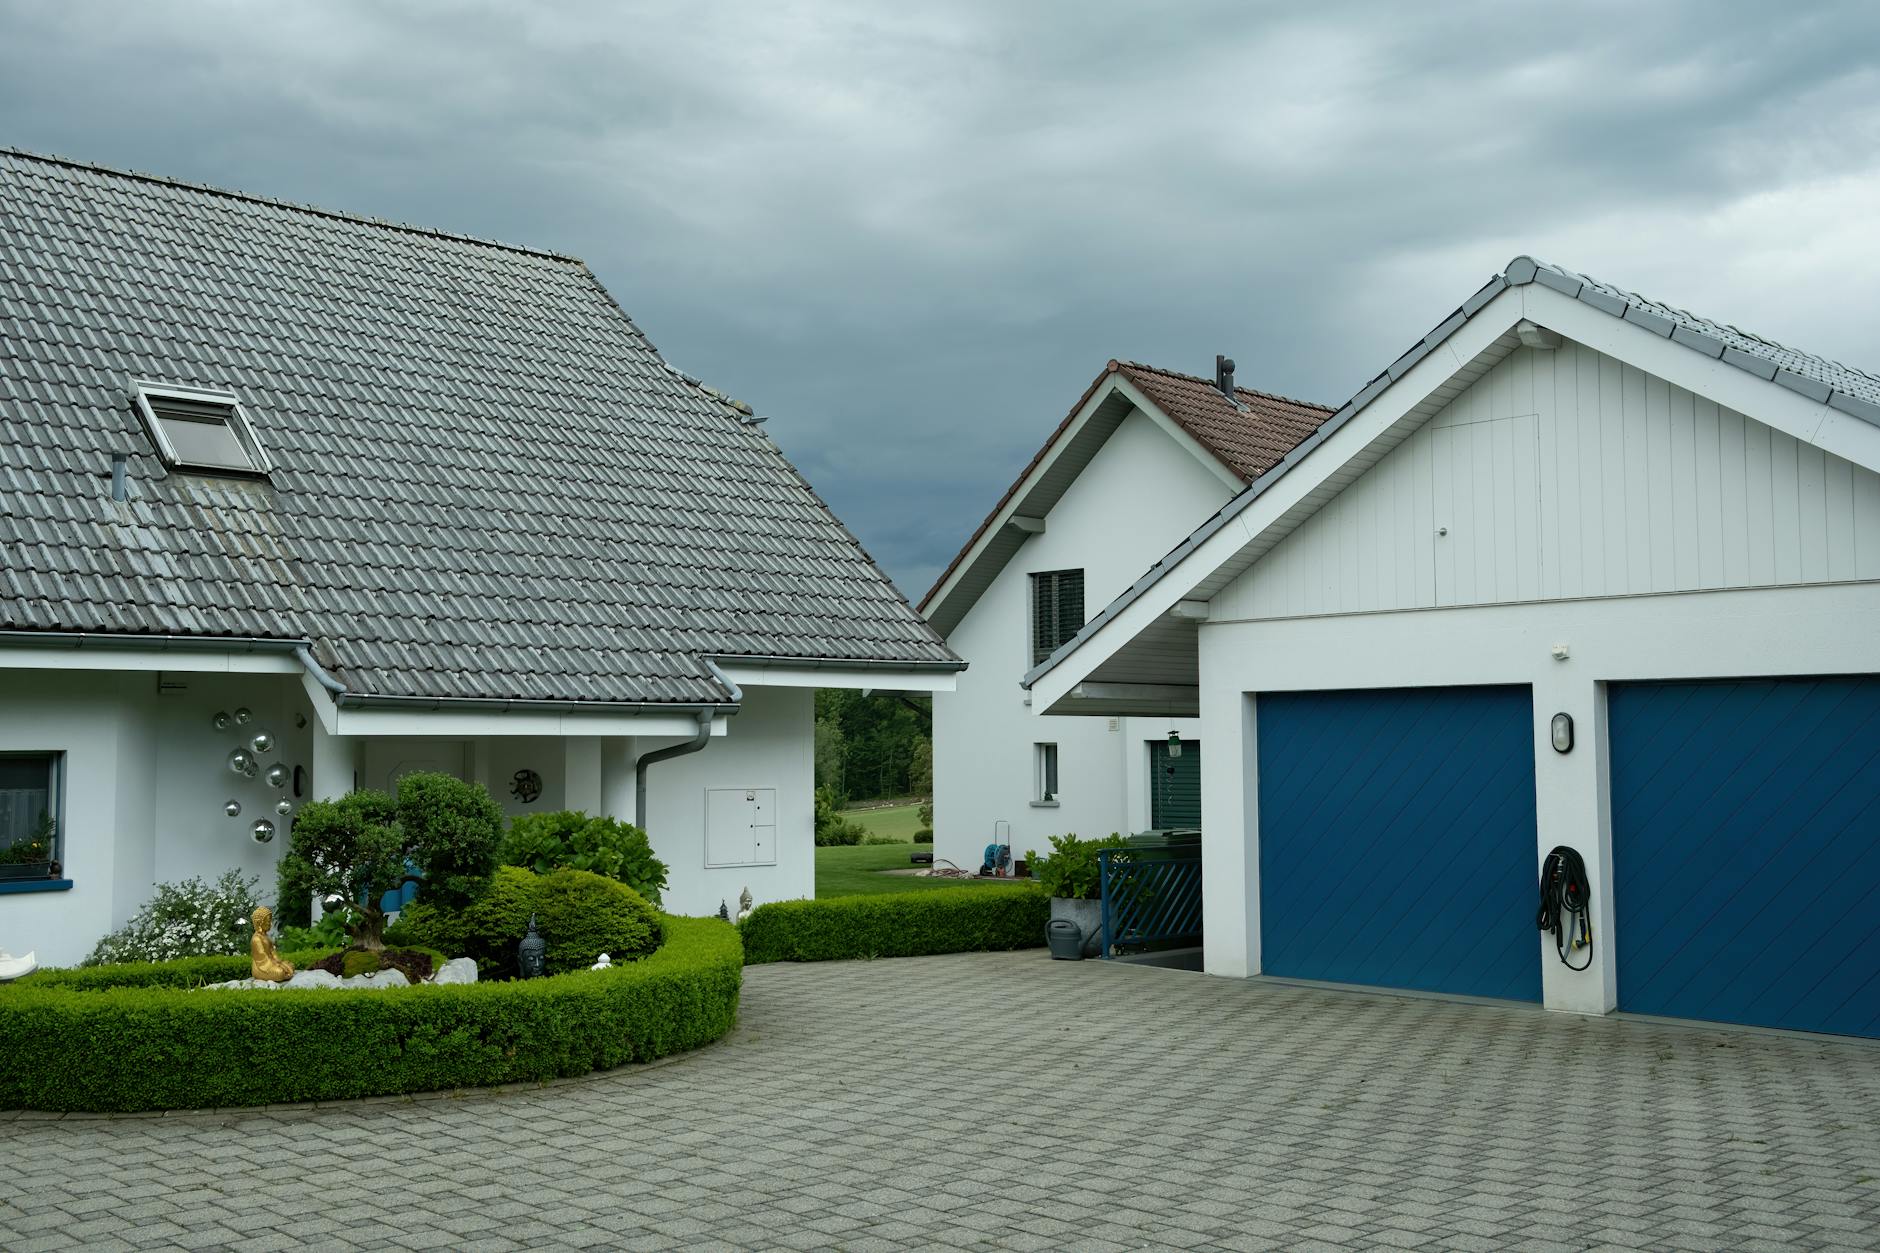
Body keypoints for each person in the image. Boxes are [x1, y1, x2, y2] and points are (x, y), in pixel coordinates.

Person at [250, 906, 294, 982]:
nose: (270, 924)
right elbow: (262, 958)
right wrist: (276, 965)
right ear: (260, 923)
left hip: (272, 962)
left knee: (290, 966)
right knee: (279, 972)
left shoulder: (266, 936)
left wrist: (278, 961)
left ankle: (282, 970)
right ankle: (280, 973)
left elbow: (272, 951)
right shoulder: (256, 939)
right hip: (262, 967)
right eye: (268, 922)